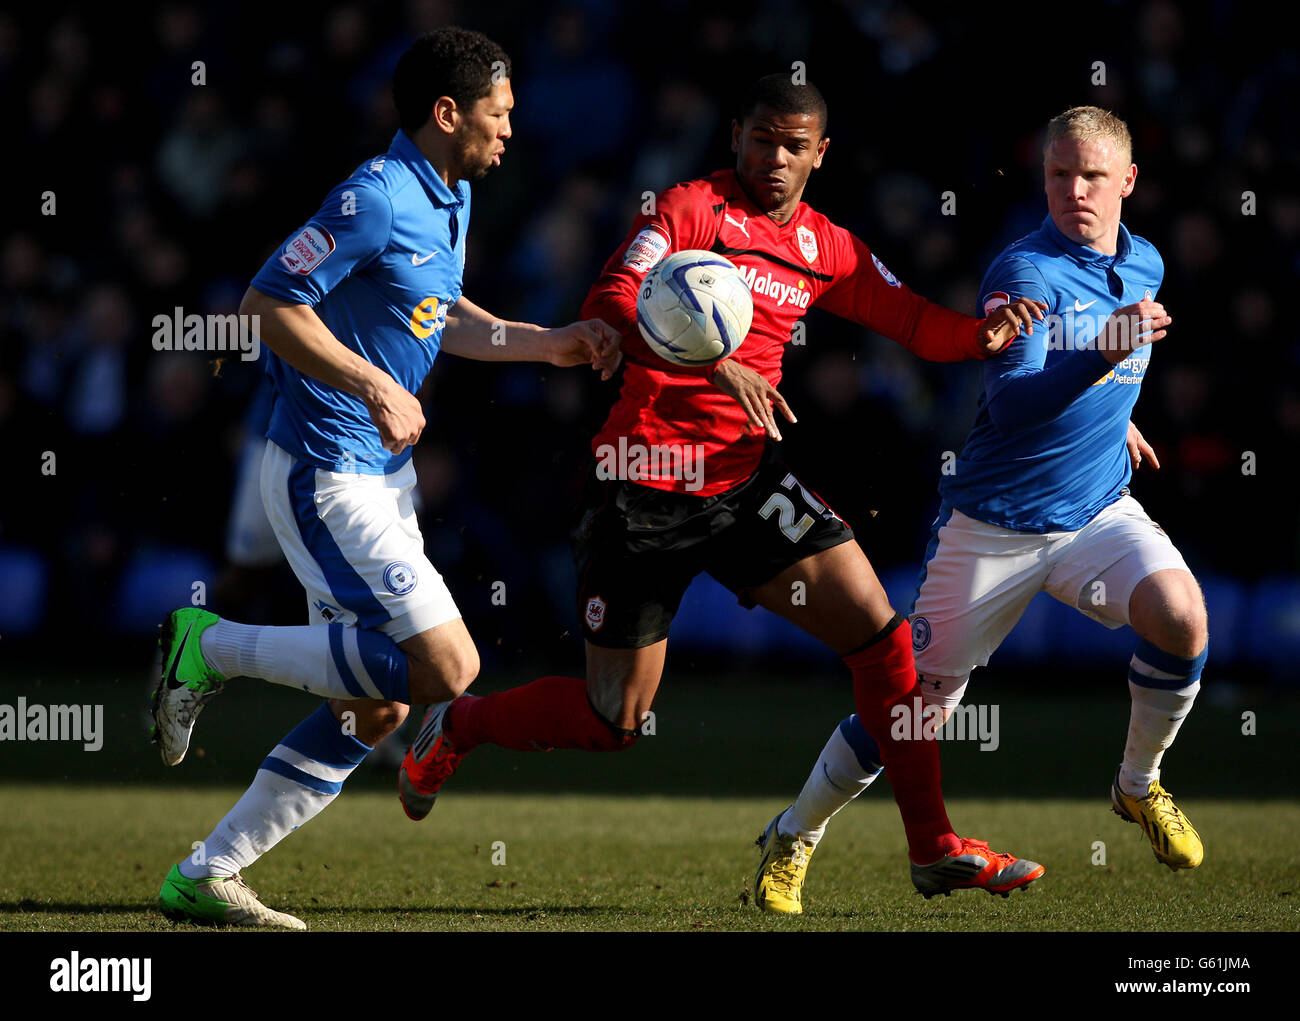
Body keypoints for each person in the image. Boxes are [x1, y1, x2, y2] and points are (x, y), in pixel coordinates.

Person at [399, 73, 1048, 901]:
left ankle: (934, 845)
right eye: (761, 139)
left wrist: (980, 336)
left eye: (793, 145)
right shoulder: (686, 210)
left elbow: (912, 320)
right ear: (736, 134)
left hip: (745, 484)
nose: (774, 158)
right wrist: (713, 359)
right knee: (613, 723)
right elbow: (611, 301)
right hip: (640, 487)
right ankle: (457, 724)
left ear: (821, 153)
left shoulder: (824, 246)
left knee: (885, 645)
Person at [149, 27, 620, 929]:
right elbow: (265, 305)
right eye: (500, 113)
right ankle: (207, 646)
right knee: (448, 665)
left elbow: (439, 314)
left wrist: (547, 344)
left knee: (372, 706)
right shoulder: (373, 195)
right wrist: (371, 383)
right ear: (448, 114)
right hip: (325, 473)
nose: (512, 130)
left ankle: (207, 874)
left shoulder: (449, 195)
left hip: (377, 475)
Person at [753, 105, 1206, 914]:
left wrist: (1115, 411)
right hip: (994, 526)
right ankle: (793, 833)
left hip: (1098, 509)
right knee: (912, 711)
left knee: (1182, 617)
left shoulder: (1148, 266)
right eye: (1059, 174)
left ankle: (1138, 784)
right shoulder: (1024, 272)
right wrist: (1102, 354)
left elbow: (1092, 378)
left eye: (1093, 176)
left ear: (1128, 181)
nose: (1075, 190)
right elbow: (1020, 402)